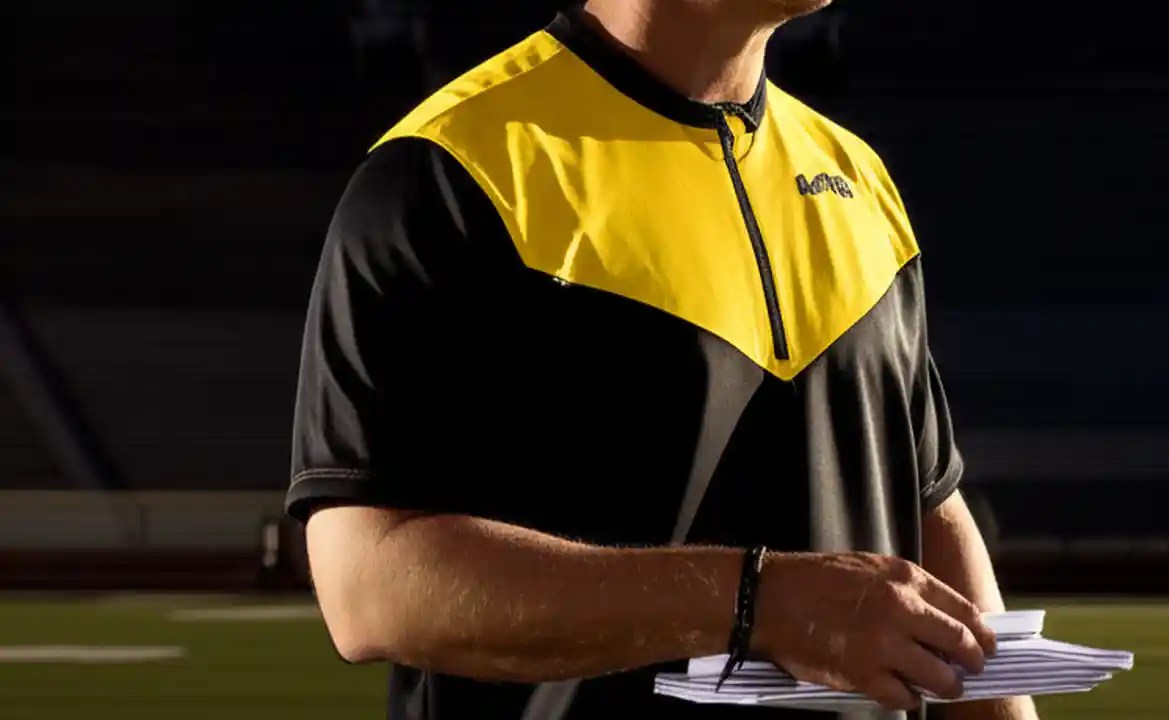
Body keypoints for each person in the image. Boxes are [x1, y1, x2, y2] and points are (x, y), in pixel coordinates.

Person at [286, 2, 1038, 720]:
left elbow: (932, 512)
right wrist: (758, 603)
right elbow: (369, 587)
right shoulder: (449, 173)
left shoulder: (860, 182)